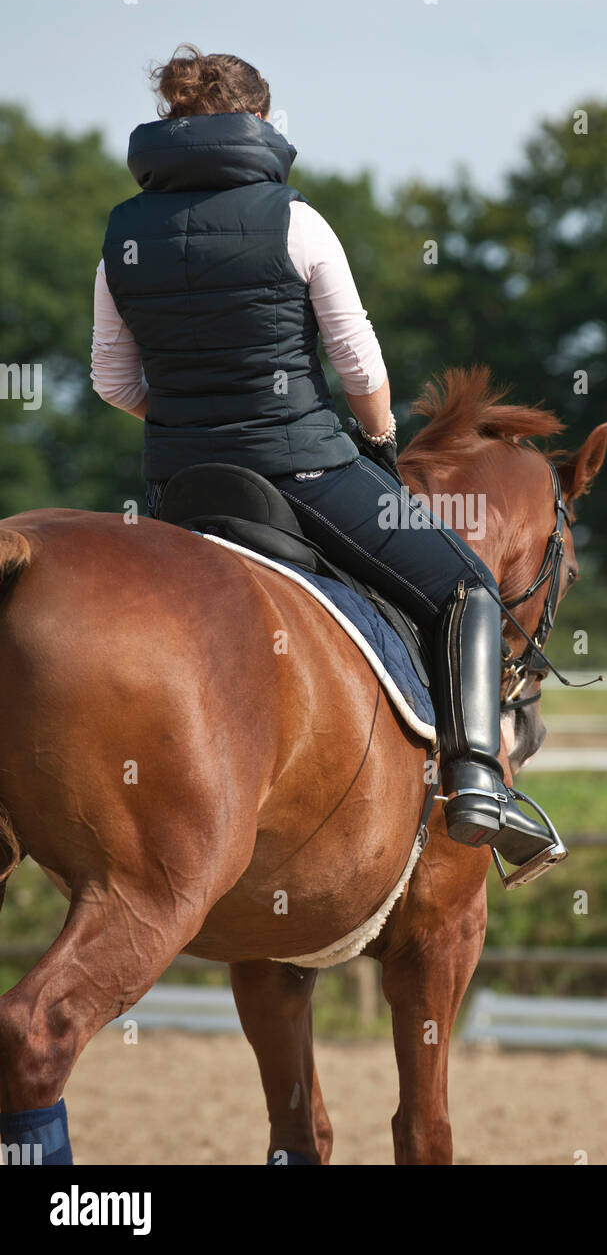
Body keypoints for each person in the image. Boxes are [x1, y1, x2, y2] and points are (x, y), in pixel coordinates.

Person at [91, 43, 563, 880]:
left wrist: (193, 423)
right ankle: (476, 783)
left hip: (179, 486)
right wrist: (376, 443)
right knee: (467, 590)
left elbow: (112, 381)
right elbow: (359, 363)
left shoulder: (122, 235)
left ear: (169, 125)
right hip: (302, 469)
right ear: (259, 120)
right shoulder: (294, 220)